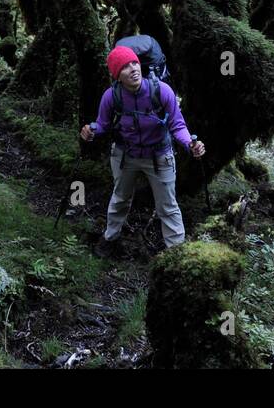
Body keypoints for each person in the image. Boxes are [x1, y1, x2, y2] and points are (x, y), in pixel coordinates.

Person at [79, 45, 205, 256]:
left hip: (159, 156)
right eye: (125, 67)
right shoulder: (112, 96)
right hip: (124, 155)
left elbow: (177, 125)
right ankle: (109, 239)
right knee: (120, 199)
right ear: (117, 75)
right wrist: (90, 131)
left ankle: (177, 255)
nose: (133, 69)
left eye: (134, 63)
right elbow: (103, 123)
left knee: (167, 206)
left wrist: (190, 144)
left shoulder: (161, 91)